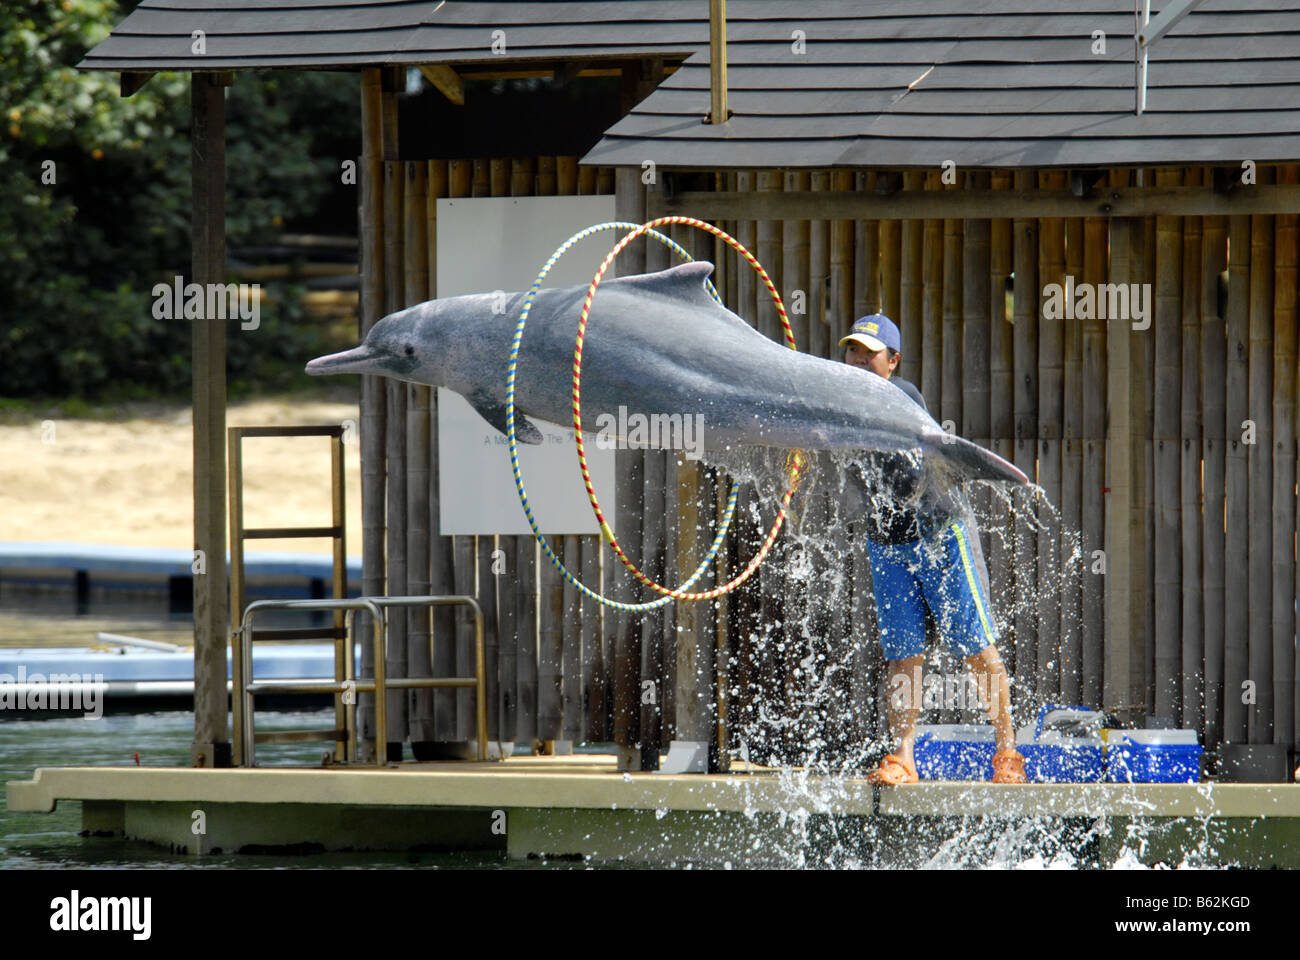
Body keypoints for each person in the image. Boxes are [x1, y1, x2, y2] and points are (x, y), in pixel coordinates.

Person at [839, 314, 1025, 785]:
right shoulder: (840, 401)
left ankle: (1007, 752)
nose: (858, 361)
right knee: (903, 656)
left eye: (869, 353)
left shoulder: (903, 396)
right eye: (852, 351)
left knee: (975, 649)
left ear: (893, 361)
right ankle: (903, 757)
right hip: (886, 544)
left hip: (939, 534)